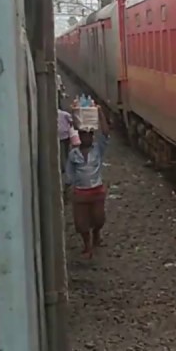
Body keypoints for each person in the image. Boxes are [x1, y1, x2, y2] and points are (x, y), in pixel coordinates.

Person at [65, 104, 110, 258]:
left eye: (89, 135)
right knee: (81, 223)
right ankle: (87, 246)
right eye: (83, 135)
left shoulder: (98, 149)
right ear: (79, 136)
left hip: (96, 191)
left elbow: (105, 133)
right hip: (80, 193)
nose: (87, 138)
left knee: (99, 218)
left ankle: (97, 233)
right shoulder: (73, 154)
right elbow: (69, 172)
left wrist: (100, 113)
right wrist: (68, 186)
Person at [57, 106, 79, 175]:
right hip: (65, 135)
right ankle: (66, 167)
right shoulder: (65, 114)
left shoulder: (53, 114)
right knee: (66, 152)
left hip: (58, 135)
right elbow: (72, 122)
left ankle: (62, 167)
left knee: (59, 151)